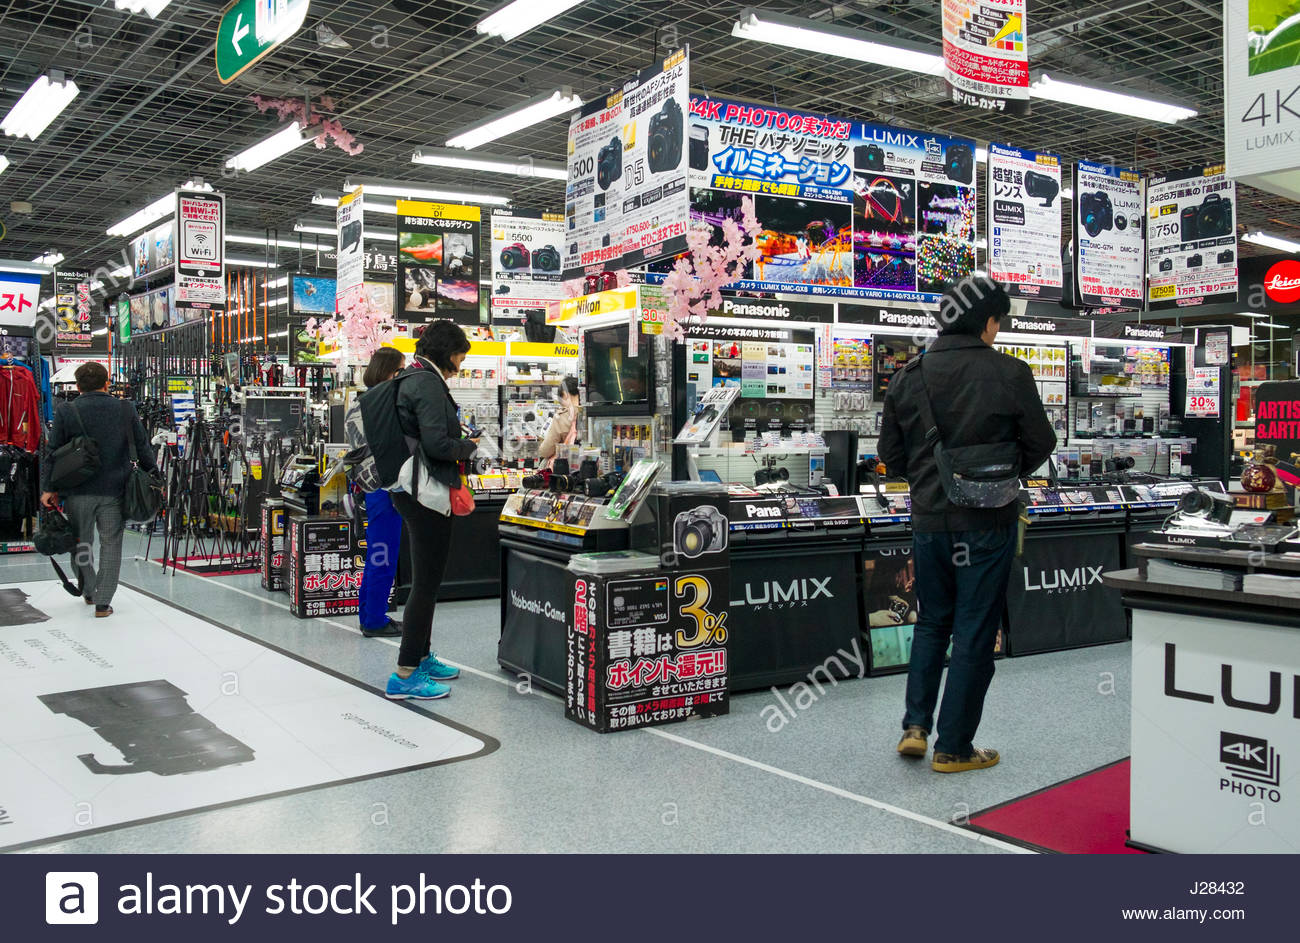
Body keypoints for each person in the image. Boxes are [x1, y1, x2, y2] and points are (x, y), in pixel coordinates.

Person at [877, 276, 1055, 773]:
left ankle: (915, 726)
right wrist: (998, 470)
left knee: (933, 621)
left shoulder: (909, 375)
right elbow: (1042, 442)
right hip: (989, 520)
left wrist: (933, 476)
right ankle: (953, 746)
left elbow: (890, 454)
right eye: (999, 322)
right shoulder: (1010, 372)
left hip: (931, 520)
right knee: (976, 628)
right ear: (989, 321)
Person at [362, 321, 477, 700]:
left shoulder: (410, 377)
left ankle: (422, 656)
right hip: (424, 493)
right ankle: (405, 673)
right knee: (426, 583)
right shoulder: (427, 384)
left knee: (427, 581)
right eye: (461, 353)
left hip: (405, 488)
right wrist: (468, 446)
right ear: (448, 351)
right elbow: (439, 444)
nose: (462, 361)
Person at [40, 362, 157, 618]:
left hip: (77, 490)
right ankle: (103, 602)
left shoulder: (66, 411)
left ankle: (89, 590)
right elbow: (142, 446)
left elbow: (52, 453)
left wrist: (48, 488)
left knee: (82, 543)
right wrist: (154, 476)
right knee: (111, 544)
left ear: (78, 386)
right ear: (107, 383)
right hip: (116, 489)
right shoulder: (125, 409)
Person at [347, 347, 407, 638]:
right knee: (384, 554)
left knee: (377, 553)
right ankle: (373, 621)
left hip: (372, 487)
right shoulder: (383, 404)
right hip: (387, 487)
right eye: (401, 370)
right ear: (389, 371)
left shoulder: (359, 403)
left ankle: (370, 615)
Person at [538, 376, 580, 465]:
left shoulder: (562, 416)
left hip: (566, 468)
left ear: (565, 394)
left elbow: (546, 451)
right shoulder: (591, 413)